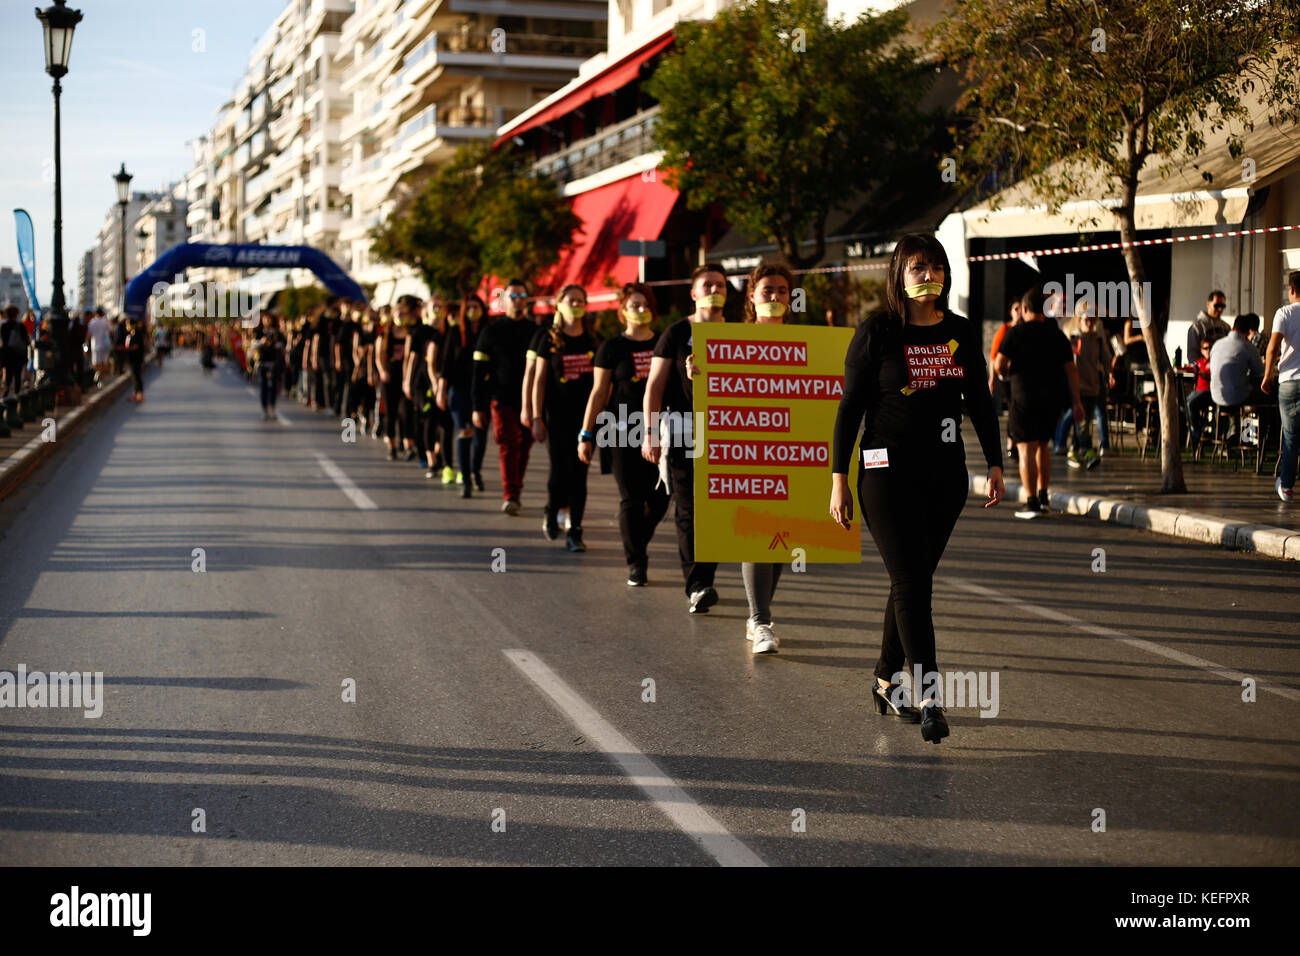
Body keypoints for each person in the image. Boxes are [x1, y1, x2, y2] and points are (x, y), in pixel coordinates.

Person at [830, 234, 1004, 744]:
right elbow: (849, 411)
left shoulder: (962, 333)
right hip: (885, 475)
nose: (927, 273)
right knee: (911, 584)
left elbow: (980, 401)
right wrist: (838, 479)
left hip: (945, 477)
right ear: (898, 276)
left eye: (935, 265)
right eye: (916, 266)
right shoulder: (877, 332)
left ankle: (886, 677)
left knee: (912, 579)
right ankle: (929, 696)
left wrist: (995, 462)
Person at [643, 264, 728, 614]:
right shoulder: (676, 333)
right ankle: (698, 585)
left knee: (719, 509)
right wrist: (649, 433)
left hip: (728, 435)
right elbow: (655, 386)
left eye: (720, 285)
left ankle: (704, 577)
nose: (713, 289)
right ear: (693, 293)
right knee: (689, 508)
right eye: (706, 285)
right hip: (683, 432)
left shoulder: (740, 333)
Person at [579, 282, 669, 585]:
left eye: (645, 305)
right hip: (619, 430)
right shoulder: (611, 348)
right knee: (630, 498)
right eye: (634, 305)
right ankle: (637, 562)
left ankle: (637, 541)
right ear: (622, 311)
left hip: (662, 428)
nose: (640, 310)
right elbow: (598, 392)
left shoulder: (664, 343)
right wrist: (586, 433)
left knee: (661, 497)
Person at [736, 262, 798, 654]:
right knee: (759, 537)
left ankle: (758, 615)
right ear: (752, 297)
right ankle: (761, 622)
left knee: (780, 539)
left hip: (792, 453)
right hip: (748, 453)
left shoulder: (806, 347)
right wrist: (697, 376)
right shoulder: (730, 342)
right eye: (766, 290)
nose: (774, 297)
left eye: (781, 291)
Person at [994, 287, 1084, 518]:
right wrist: (1077, 401)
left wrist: (1004, 373)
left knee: (1025, 448)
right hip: (1051, 399)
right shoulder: (1057, 335)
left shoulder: (1015, 332)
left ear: (1024, 309)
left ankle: (1031, 500)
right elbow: (1071, 369)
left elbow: (999, 363)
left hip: (1023, 397)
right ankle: (1044, 496)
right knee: (1042, 446)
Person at [532, 285, 598, 551]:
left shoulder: (594, 339)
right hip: (556, 416)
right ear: (558, 304)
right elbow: (538, 380)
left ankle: (576, 531)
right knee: (559, 471)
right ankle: (552, 509)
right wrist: (536, 416)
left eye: (580, 300)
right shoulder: (547, 338)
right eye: (570, 300)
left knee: (579, 474)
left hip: (586, 418)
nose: (576, 304)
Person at [473, 279, 538, 514]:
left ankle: (516, 488)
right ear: (504, 300)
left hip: (530, 401)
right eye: (513, 296)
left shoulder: (536, 331)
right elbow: (479, 373)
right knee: (507, 445)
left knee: (524, 447)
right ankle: (510, 494)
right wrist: (477, 406)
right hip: (501, 398)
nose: (518, 301)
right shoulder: (491, 331)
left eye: (522, 296)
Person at [436, 296, 488, 498]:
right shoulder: (455, 333)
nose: (474, 310)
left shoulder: (487, 333)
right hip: (458, 390)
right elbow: (446, 364)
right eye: (470, 307)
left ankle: (475, 470)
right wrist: (441, 390)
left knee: (480, 437)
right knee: (464, 432)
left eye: (477, 307)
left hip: (481, 391)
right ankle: (465, 479)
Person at [1054, 300, 1112, 468]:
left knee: (1082, 420)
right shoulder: (1074, 339)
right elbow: (1067, 363)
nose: (1090, 322)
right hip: (1078, 388)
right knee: (1081, 420)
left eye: (1093, 319)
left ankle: (1072, 449)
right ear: (1079, 319)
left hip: (1093, 387)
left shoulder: (1098, 340)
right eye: (1087, 319)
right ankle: (1086, 450)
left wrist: (1110, 372)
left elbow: (1106, 360)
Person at [1263, 271, 1300, 502]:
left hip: (1289, 381)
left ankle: (1286, 486)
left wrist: (1267, 375)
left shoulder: (1284, 312)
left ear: (1292, 290)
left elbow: (1272, 348)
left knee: (1290, 436)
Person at [1209, 314, 1267, 432]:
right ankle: (1248, 435)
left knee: (1240, 387)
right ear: (1248, 331)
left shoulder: (1217, 344)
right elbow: (1260, 373)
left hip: (1215, 394)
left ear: (1233, 327)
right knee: (1262, 394)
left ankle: (1230, 430)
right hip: (1237, 397)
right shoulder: (1247, 347)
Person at [379, 297, 418, 460]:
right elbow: (378, 355)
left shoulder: (409, 334)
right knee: (391, 413)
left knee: (406, 412)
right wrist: (382, 371)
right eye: (398, 313)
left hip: (403, 378)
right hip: (389, 376)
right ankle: (392, 446)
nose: (401, 316)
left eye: (404, 314)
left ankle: (408, 445)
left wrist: (406, 379)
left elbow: (408, 357)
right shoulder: (385, 334)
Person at [989, 296, 1021, 462]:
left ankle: (1016, 441)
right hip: (1006, 377)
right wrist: (992, 378)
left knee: (1016, 409)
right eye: (1016, 308)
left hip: (1021, 377)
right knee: (1012, 408)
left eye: (1021, 308)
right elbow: (994, 356)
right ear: (1010, 312)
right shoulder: (1005, 329)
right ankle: (1011, 443)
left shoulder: (1024, 329)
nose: (1019, 312)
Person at [251, 311, 286, 420]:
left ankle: (273, 408)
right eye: (265, 319)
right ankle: (265, 410)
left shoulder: (277, 333)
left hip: (273, 364)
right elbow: (252, 346)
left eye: (269, 319)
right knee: (264, 388)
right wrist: (261, 342)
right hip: (262, 364)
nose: (267, 321)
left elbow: (283, 345)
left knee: (273, 388)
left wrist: (274, 345)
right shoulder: (258, 332)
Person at [1183, 336, 1215, 437]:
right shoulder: (1200, 361)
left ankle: (1196, 431)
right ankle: (1194, 426)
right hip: (1198, 391)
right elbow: (1191, 368)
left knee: (1190, 403)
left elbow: (1208, 375)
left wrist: (1198, 371)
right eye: (1206, 348)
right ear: (1201, 350)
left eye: (1210, 347)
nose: (1208, 350)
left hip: (1208, 392)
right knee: (1183, 403)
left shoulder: (1214, 362)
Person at [1187, 290, 1230, 361]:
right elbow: (1192, 354)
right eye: (1217, 306)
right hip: (1204, 369)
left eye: (1223, 306)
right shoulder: (1197, 327)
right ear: (1208, 304)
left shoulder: (1226, 327)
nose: (1220, 309)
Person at [0, 305, 30, 396]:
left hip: (8, 354)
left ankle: (6, 392)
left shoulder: (4, 326)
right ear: (16, 314)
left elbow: (3, 341)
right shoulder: (20, 326)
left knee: (8, 375)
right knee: (17, 375)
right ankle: (17, 395)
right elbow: (26, 341)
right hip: (18, 355)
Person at [124, 318, 147, 402]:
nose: (126, 326)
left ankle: (140, 395)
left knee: (137, 377)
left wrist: (127, 348)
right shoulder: (131, 334)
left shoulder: (137, 334)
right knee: (134, 377)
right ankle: (136, 394)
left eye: (128, 324)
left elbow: (136, 346)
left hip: (136, 359)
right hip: (132, 359)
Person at [87, 308, 111, 383]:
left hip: (95, 345)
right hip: (105, 345)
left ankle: (98, 377)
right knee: (104, 363)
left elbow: (89, 334)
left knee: (96, 364)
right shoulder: (105, 321)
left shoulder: (92, 322)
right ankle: (102, 379)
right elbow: (111, 330)